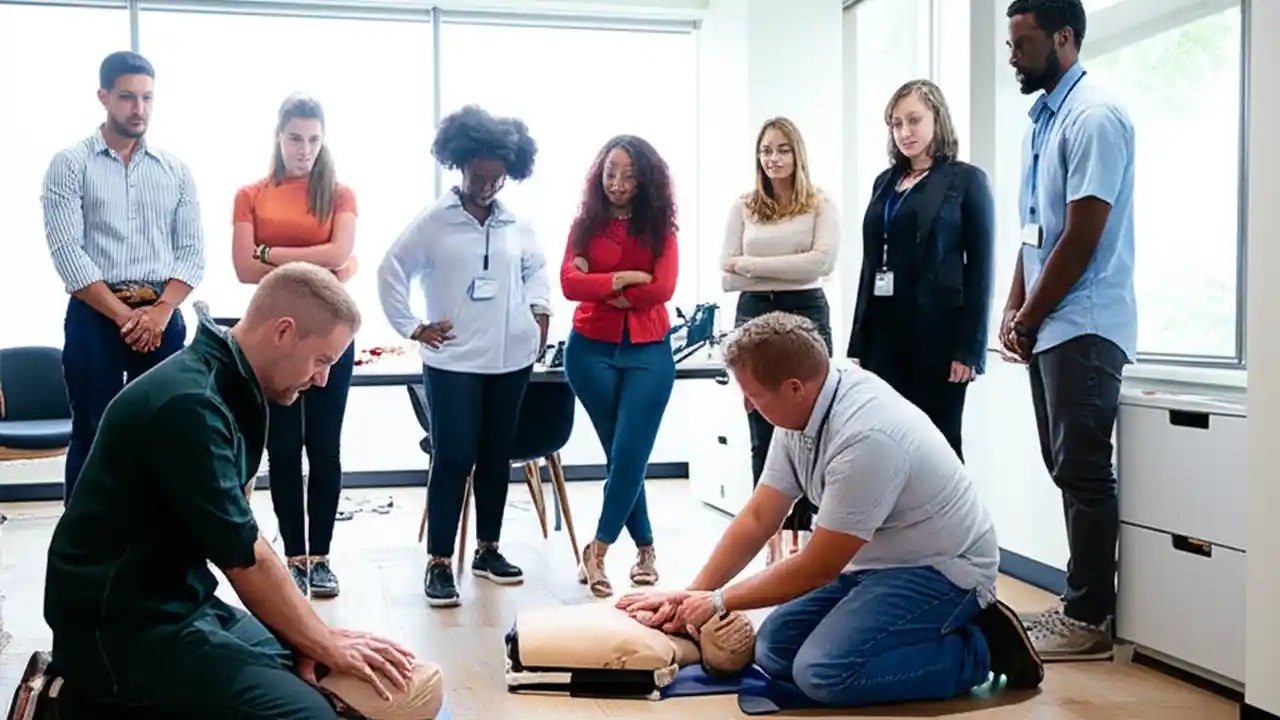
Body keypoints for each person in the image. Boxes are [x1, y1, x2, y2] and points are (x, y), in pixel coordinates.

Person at [40, 262, 442, 719]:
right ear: (283, 332)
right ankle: (71, 705)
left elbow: (242, 542)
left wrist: (314, 639)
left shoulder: (228, 387)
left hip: (181, 602)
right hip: (117, 632)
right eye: (322, 360)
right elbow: (246, 558)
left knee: (344, 677)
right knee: (313, 713)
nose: (323, 379)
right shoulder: (190, 404)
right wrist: (323, 641)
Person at [617, 312, 1043, 708]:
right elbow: (759, 518)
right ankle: (930, 637)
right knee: (774, 650)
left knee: (823, 673)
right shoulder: (803, 407)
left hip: (944, 572)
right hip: (873, 566)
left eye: (753, 395)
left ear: (793, 388)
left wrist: (717, 601)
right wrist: (690, 595)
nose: (747, 405)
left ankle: (977, 649)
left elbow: (818, 567)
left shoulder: (867, 437)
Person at [1000, 0, 1135, 661]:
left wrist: (1029, 315)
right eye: (1009, 43)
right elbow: (1036, 230)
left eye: (1022, 43)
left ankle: (1088, 617)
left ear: (1063, 38)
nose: (1012, 56)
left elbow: (1081, 237)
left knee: (1082, 469)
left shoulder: (1094, 116)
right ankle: (1078, 605)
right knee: (1064, 466)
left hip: (1085, 322)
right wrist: (1013, 307)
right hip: (1051, 323)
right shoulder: (1044, 122)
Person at [377, 104, 550, 608]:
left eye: (497, 179)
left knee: (496, 458)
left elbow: (537, 271)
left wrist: (539, 313)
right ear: (461, 165)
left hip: (510, 360)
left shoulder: (516, 223)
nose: (487, 187)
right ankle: (438, 562)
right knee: (453, 458)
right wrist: (412, 327)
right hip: (452, 362)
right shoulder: (435, 221)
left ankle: (487, 550)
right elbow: (391, 270)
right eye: (479, 177)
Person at [41, 50, 204, 503]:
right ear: (104, 97)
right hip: (95, 314)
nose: (139, 109)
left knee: (164, 429)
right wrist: (125, 317)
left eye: (147, 98)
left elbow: (192, 253)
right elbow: (68, 254)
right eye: (128, 97)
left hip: (161, 313)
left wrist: (160, 311)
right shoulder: (70, 164)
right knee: (93, 429)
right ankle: (85, 538)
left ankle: (155, 535)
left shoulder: (175, 172)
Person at [231, 94, 360, 599]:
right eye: (294, 138)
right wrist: (320, 264)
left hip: (330, 337)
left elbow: (342, 251)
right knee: (282, 451)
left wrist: (270, 251)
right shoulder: (251, 194)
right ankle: (294, 558)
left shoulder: (340, 194)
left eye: (313, 140)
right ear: (278, 138)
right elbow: (243, 268)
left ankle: (321, 556)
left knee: (324, 450)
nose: (304, 149)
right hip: (277, 339)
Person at [847, 79, 995, 461]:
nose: (904, 132)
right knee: (885, 445)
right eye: (896, 124)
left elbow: (981, 270)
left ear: (937, 119)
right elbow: (870, 263)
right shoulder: (885, 183)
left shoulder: (966, 180)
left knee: (938, 448)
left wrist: (970, 349)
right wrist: (858, 342)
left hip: (939, 338)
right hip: (884, 335)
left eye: (914, 120)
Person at [560, 135, 679, 597]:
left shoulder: (660, 227)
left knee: (629, 451)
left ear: (645, 180)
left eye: (629, 175)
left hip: (649, 351)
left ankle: (598, 549)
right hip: (589, 351)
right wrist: (626, 279)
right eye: (611, 172)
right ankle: (646, 549)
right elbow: (570, 283)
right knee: (623, 454)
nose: (618, 183)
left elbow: (663, 288)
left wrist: (600, 283)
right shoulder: (585, 224)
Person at [719, 117, 840, 558]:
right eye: (766, 150)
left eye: (782, 149)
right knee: (762, 427)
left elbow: (821, 264)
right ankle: (769, 544)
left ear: (797, 153)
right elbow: (727, 272)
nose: (773, 158)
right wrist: (790, 264)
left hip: (806, 310)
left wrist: (752, 265)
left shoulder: (820, 204)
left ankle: (804, 543)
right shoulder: (744, 206)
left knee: (810, 427)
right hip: (753, 312)